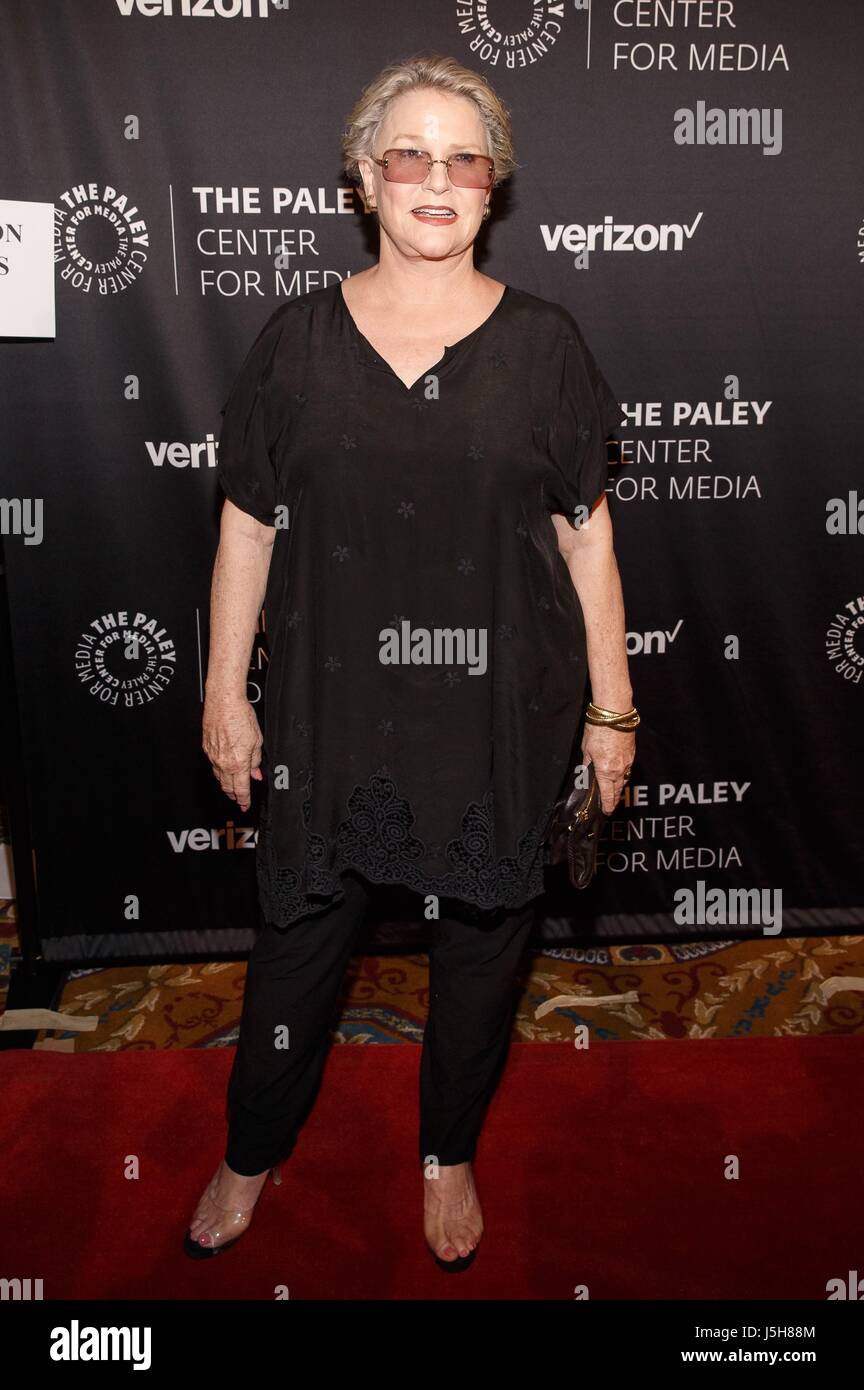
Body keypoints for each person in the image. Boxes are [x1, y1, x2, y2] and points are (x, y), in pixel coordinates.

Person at [185, 52, 636, 1271]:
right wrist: (226, 691)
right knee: (295, 950)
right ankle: (249, 1148)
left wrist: (612, 711)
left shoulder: (545, 345)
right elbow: (244, 524)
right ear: (363, 178)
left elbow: (585, 538)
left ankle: (447, 1150)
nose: (436, 178)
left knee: (484, 951)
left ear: (493, 187)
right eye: (408, 154)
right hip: (333, 716)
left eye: (464, 157)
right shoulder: (294, 341)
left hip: (499, 712)